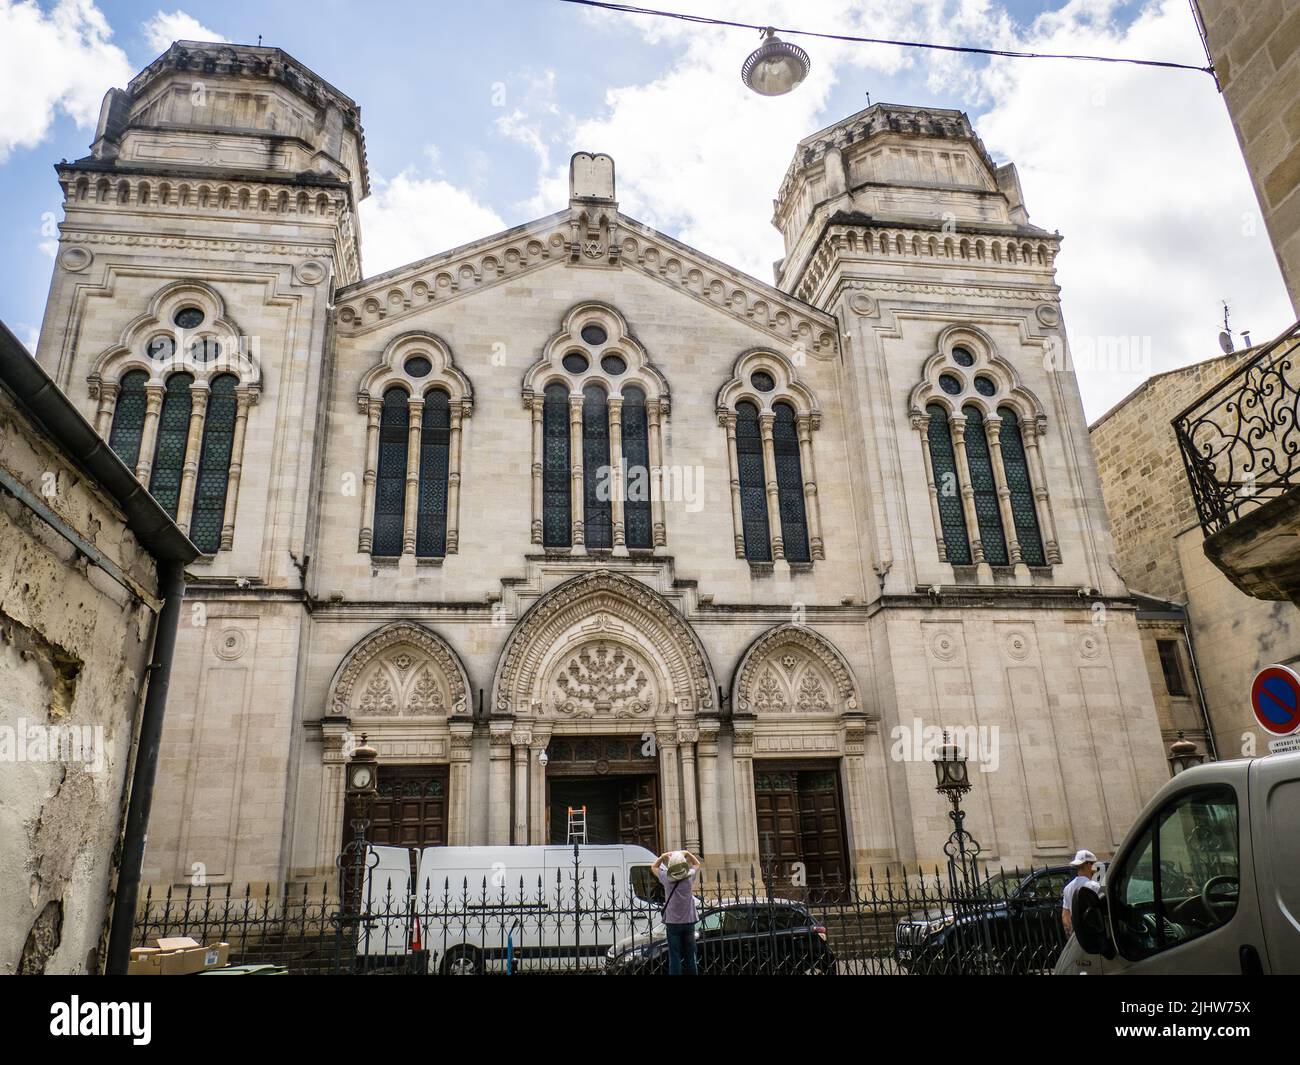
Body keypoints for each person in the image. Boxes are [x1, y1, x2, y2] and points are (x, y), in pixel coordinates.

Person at [651, 849, 702, 975]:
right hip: (689, 921)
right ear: (683, 864)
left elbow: (654, 867)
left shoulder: (666, 878)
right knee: (690, 955)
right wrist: (687, 853)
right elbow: (697, 864)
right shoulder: (689, 876)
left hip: (673, 923)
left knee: (675, 956)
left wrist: (663, 856)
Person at [1061, 849, 1101, 935]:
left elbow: (1065, 915)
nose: (1096, 867)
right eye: (1093, 863)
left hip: (1078, 936)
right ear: (1087, 864)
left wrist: (1071, 935)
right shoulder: (1094, 886)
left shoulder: (1067, 888)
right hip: (1093, 934)